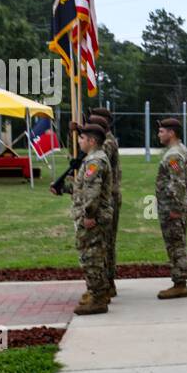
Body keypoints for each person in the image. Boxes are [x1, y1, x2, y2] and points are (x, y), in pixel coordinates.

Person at [70, 121, 115, 316]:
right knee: (95, 254)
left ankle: (97, 297)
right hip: (96, 215)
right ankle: (99, 292)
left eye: (82, 138)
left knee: (91, 256)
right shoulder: (94, 158)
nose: (79, 141)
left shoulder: (95, 161)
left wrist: (89, 215)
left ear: (92, 140)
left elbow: (92, 191)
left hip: (93, 217)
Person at [154, 117, 187, 299]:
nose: (159, 134)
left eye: (162, 131)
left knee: (176, 245)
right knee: (177, 243)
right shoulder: (178, 150)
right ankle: (179, 280)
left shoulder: (174, 155)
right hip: (172, 207)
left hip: (172, 208)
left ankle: (180, 283)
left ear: (172, 133)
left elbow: (177, 183)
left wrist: (176, 208)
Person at [87, 107, 121, 299]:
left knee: (106, 243)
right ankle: (105, 283)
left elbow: (93, 160)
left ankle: (106, 283)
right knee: (104, 242)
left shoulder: (107, 143)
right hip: (104, 196)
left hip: (108, 197)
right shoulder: (104, 140)